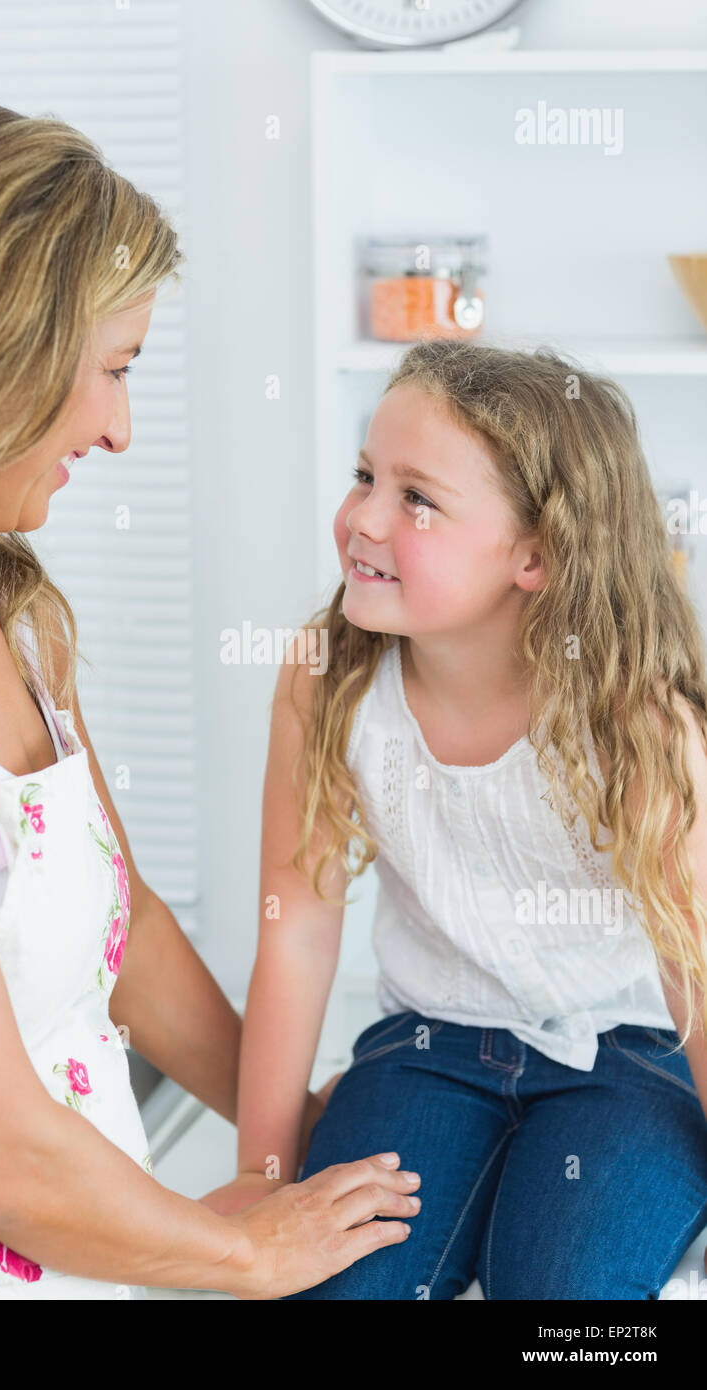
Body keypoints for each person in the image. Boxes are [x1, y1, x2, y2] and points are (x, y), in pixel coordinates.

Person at [0, 104, 422, 1301]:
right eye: (111, 370)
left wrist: (296, 1134)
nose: (117, 428)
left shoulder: (8, 610)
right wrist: (247, 1250)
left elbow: (129, 931)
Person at [210, 338, 707, 1299]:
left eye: (417, 499)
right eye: (364, 476)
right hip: (428, 1049)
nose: (361, 517)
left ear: (536, 556)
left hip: (625, 1058)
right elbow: (299, 934)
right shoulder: (328, 683)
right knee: (334, 1284)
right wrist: (261, 1176)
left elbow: (697, 973)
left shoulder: (637, 725)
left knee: (567, 1300)